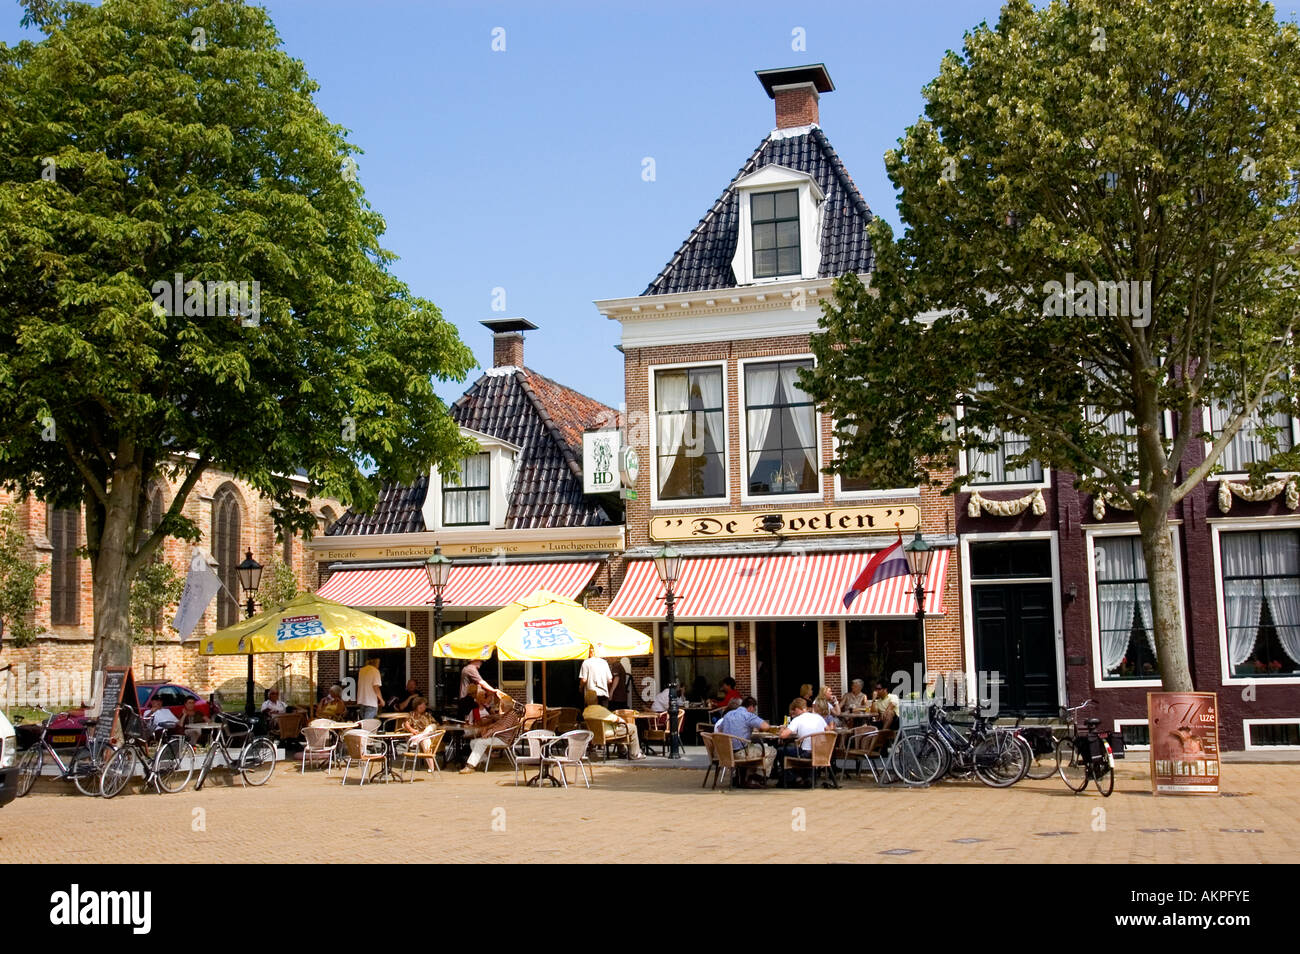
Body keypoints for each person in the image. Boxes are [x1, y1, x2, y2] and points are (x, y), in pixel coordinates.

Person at [715, 696, 775, 785]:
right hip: (740, 753)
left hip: (727, 753)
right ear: (751, 707)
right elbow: (766, 726)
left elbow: (720, 729)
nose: (754, 711)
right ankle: (758, 777)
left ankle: (744, 777)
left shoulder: (728, 714)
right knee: (771, 751)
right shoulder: (748, 715)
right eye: (754, 709)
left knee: (758, 747)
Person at [459, 691, 522, 773]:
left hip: (502, 740)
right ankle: (485, 761)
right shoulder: (507, 714)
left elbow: (503, 727)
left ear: (505, 705)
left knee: (480, 743)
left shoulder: (511, 715)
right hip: (498, 737)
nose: (500, 706)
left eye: (501, 704)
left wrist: (490, 732)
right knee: (473, 742)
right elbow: (498, 721)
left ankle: (470, 766)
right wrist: (488, 725)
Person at [776, 697, 828, 778]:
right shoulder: (818, 717)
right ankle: (801, 775)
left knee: (780, 751)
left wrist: (782, 728)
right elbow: (829, 730)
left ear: (797, 709)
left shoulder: (797, 719)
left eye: (793, 710)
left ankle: (791, 777)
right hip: (821, 752)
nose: (793, 713)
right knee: (793, 748)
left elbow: (783, 735)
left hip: (806, 753)